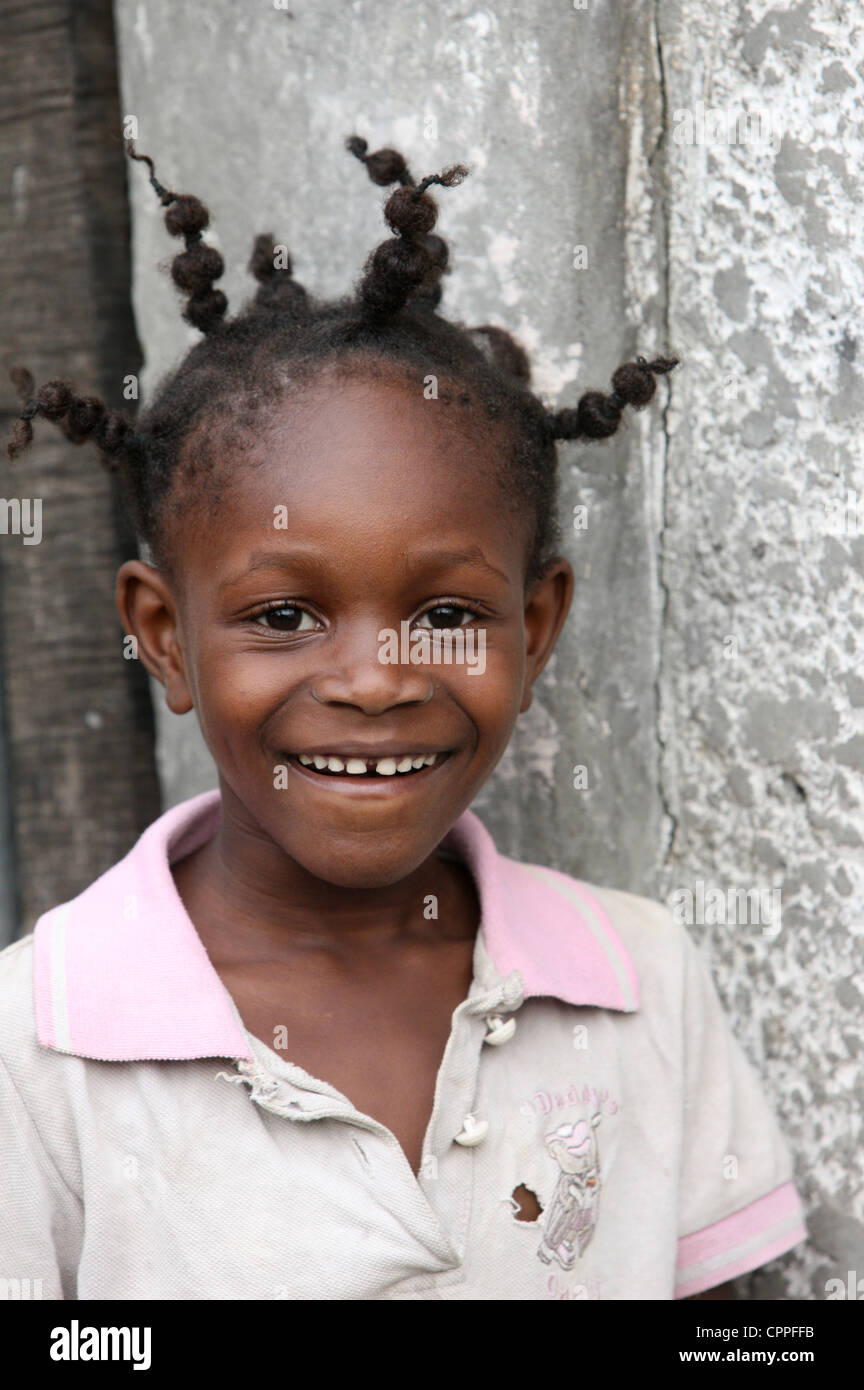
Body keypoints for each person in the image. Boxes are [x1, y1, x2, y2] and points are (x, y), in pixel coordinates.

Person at [0, 134, 806, 1300]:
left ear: (535, 628)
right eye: (284, 614)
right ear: (165, 637)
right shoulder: (40, 1048)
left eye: (446, 613)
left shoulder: (638, 981)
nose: (376, 682)